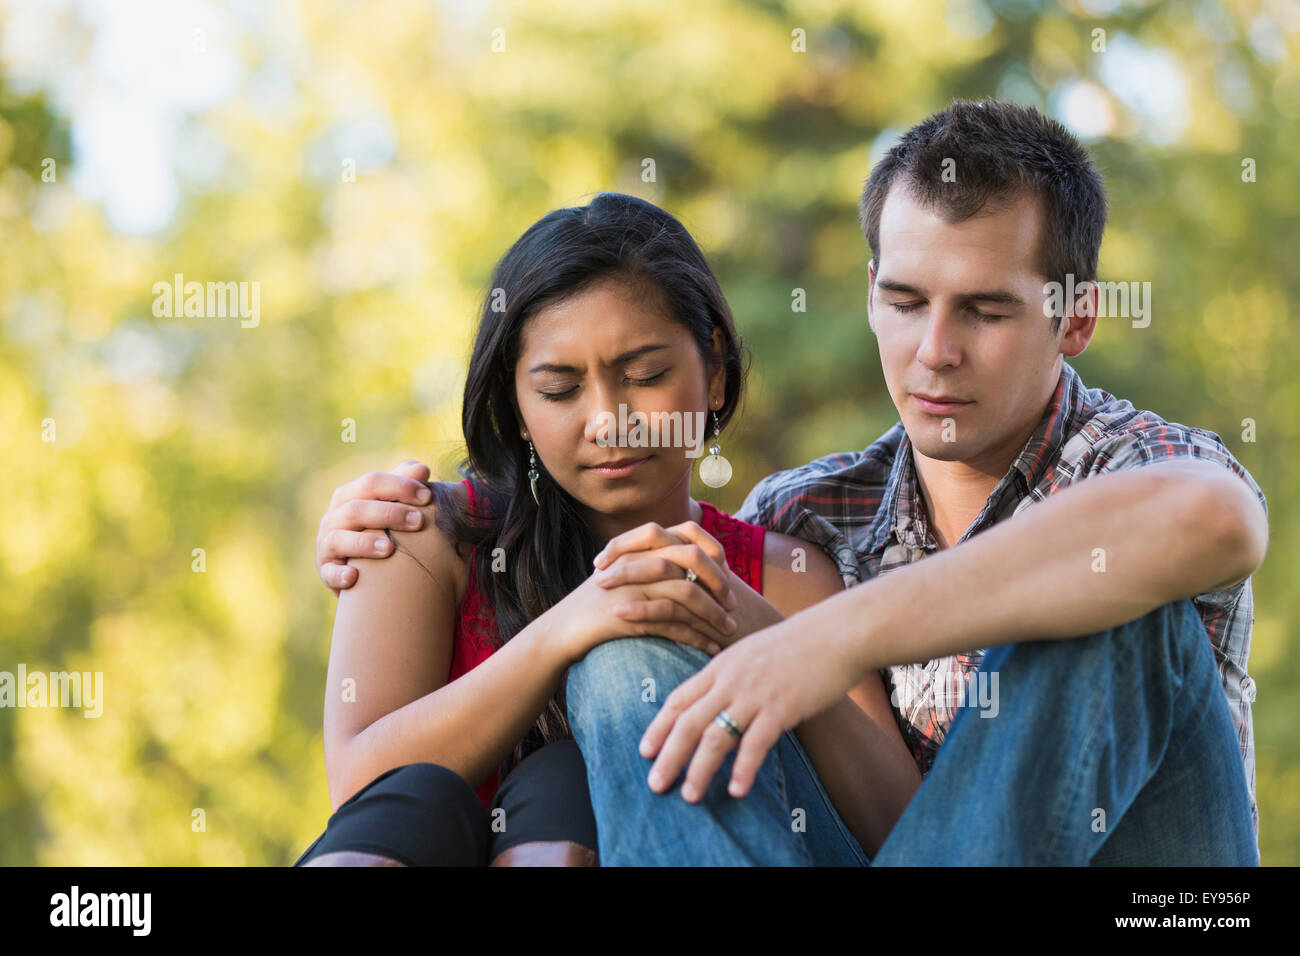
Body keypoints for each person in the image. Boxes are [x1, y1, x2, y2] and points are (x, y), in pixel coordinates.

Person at [318, 101, 1268, 866]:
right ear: (869, 295)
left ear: (1075, 320)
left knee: (1122, 606)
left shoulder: (1128, 462)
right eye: (905, 303)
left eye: (984, 310)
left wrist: (828, 640)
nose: (935, 352)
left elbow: (1213, 518)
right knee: (638, 654)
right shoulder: (806, 513)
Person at [299, 191, 921, 867]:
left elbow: (905, 835)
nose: (608, 420)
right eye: (560, 389)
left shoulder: (785, 575)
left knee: (565, 780)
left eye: (645, 375)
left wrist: (757, 630)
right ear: (516, 400)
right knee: (450, 794)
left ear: (713, 371)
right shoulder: (424, 533)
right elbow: (363, 793)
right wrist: (568, 629)